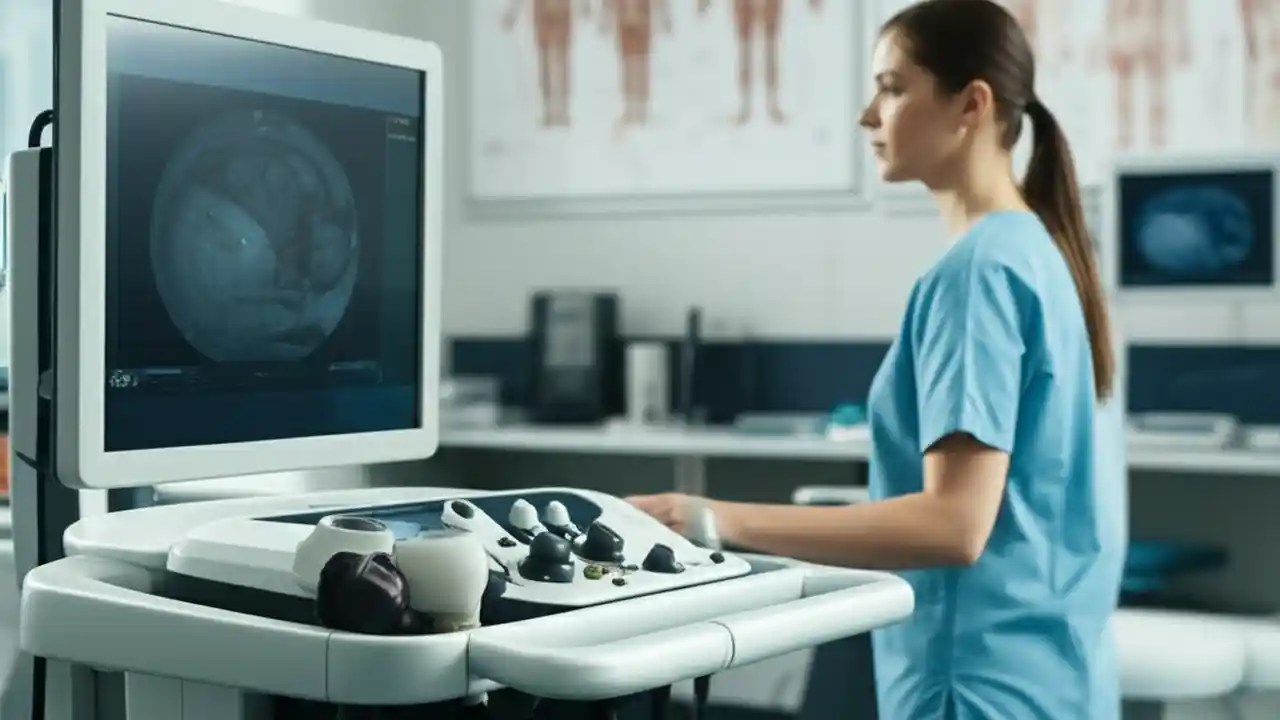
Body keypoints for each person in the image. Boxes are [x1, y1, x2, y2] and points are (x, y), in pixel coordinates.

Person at [627, 1, 1127, 717]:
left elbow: (954, 525)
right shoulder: (1043, 254)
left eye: (892, 88)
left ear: (971, 104)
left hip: (978, 687)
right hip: (1060, 683)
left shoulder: (977, 275)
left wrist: (711, 517)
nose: (869, 115)